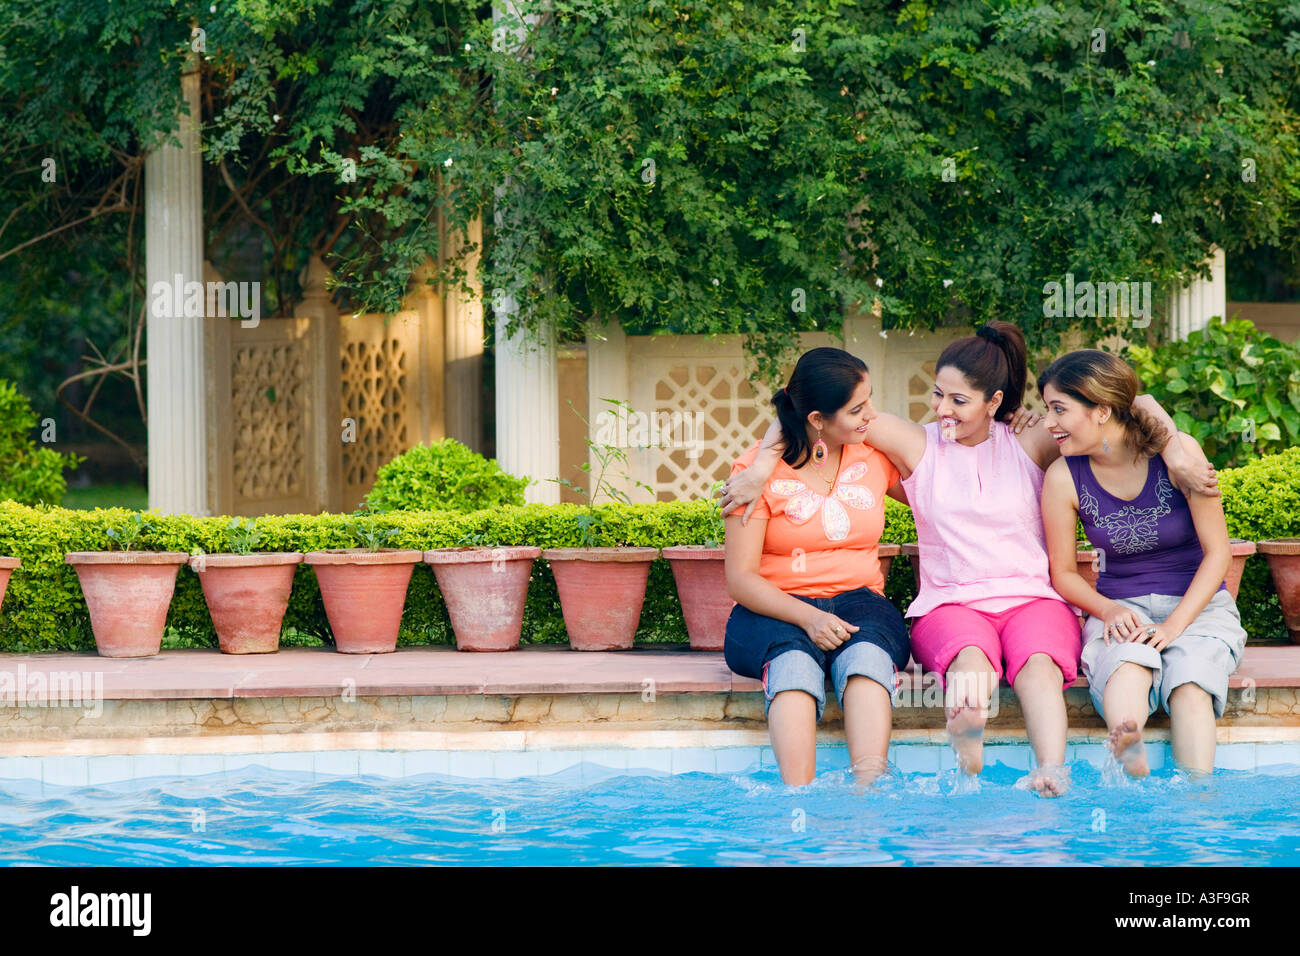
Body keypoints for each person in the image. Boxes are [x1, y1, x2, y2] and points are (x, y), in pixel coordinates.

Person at [722, 323, 1217, 795]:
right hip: (951, 603)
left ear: (994, 402)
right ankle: (968, 773)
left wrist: (1175, 447)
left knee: (1040, 665)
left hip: (1033, 598)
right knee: (972, 664)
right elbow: (815, 408)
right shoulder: (915, 443)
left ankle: (1051, 772)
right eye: (938, 394)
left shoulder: (1031, 440)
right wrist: (762, 463)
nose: (943, 410)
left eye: (959, 400)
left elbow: (1129, 405)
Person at [1038, 350, 1244, 777]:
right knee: (1128, 670)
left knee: (1189, 684)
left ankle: (1196, 802)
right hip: (1120, 609)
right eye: (1047, 409)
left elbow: (1218, 553)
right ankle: (1131, 781)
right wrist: (1110, 610)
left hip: (1198, 608)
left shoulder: (1178, 455)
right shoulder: (1063, 477)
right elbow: (1062, 573)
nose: (1049, 423)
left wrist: (1173, 628)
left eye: (1059, 409)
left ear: (1102, 410)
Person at [723, 347, 910, 786]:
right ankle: (798, 804)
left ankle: (870, 796)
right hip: (776, 607)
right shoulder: (753, 474)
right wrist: (809, 618)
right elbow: (741, 578)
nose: (872, 416)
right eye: (857, 409)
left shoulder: (872, 454)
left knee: (866, 658)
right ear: (817, 419)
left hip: (860, 601)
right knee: (794, 666)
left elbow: (938, 488)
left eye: (870, 401)